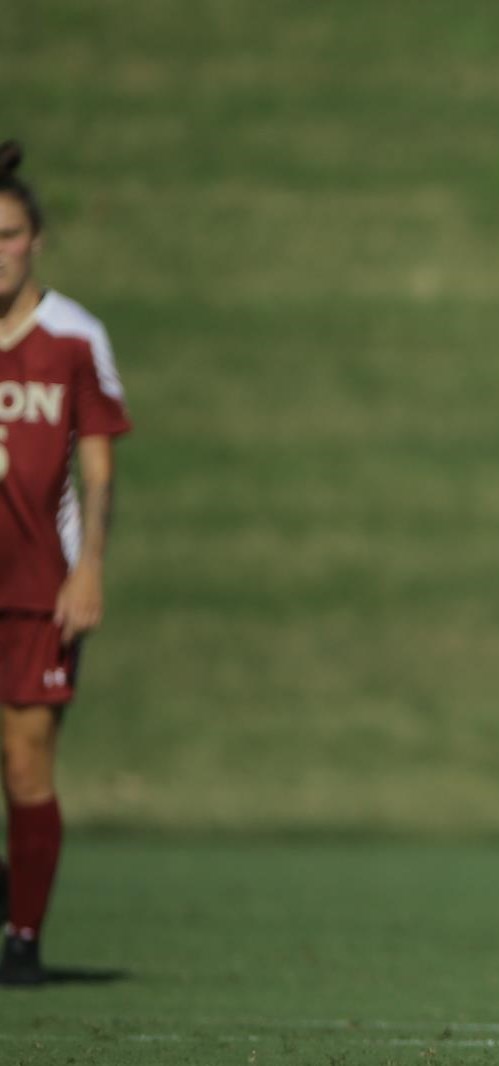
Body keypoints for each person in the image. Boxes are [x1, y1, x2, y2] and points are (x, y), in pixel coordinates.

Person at [0, 140, 132, 986]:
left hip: (37, 585)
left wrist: (90, 570)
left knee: (25, 763)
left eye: (8, 235)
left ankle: (22, 942)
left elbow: (98, 463)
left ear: (35, 240)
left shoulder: (73, 337)